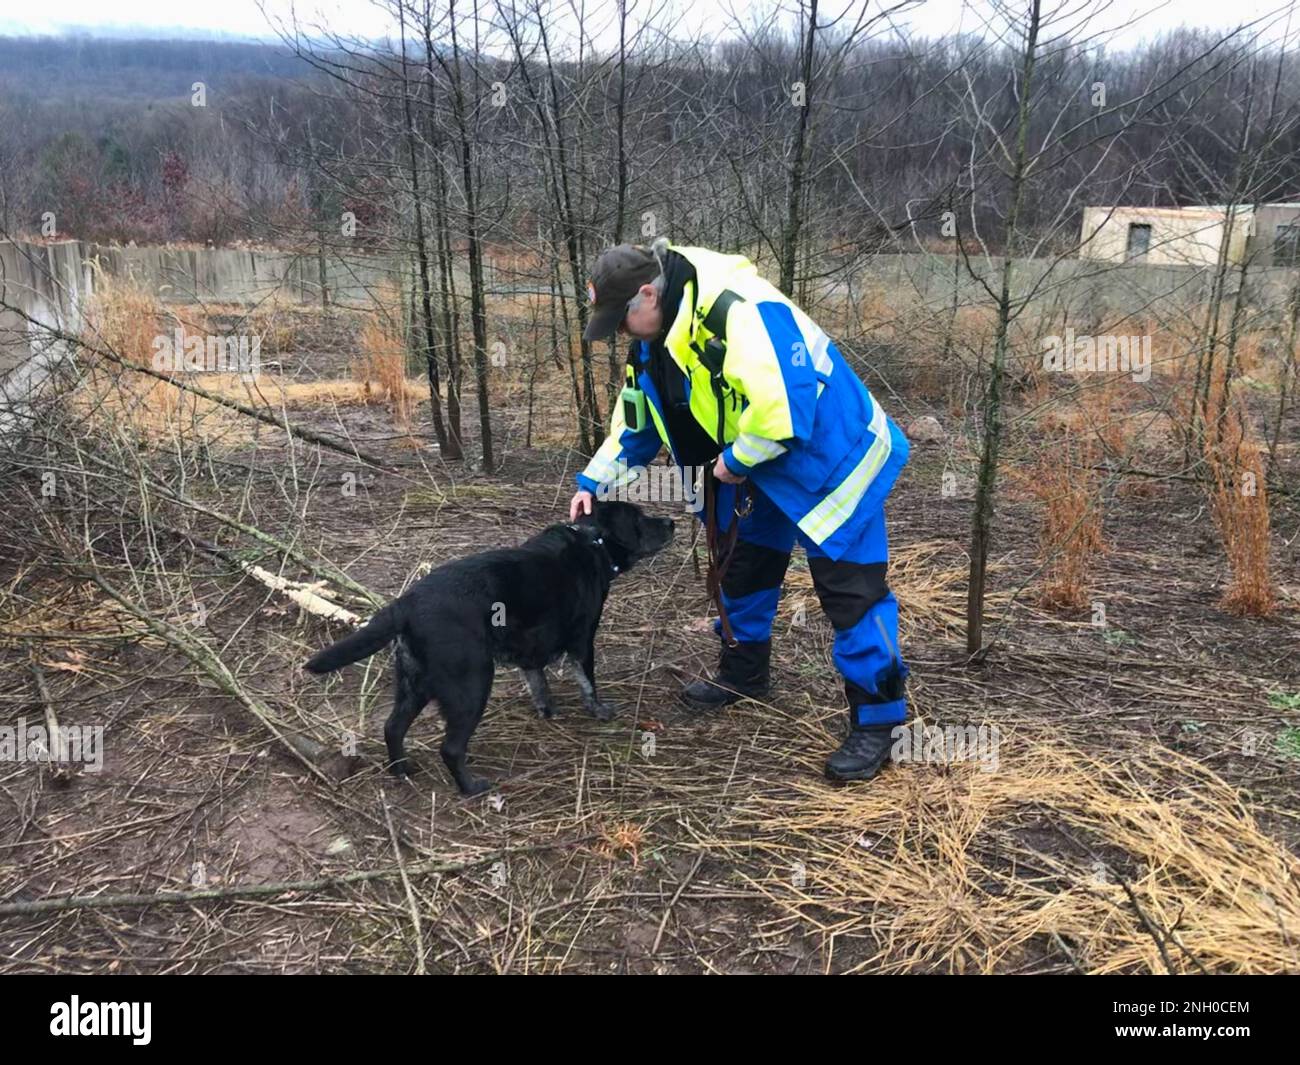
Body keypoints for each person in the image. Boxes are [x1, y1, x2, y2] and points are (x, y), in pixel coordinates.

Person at [569, 239, 910, 782]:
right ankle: (743, 674)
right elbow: (635, 424)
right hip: (753, 468)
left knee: (852, 594)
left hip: (830, 457)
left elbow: (783, 410)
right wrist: (595, 479)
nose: (622, 332)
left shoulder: (740, 308)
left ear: (648, 293)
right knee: (742, 568)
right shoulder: (654, 342)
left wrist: (734, 460)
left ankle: (880, 723)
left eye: (623, 318)